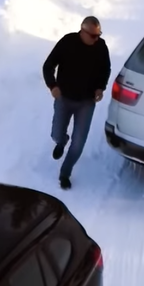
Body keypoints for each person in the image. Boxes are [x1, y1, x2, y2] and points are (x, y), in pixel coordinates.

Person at [42, 16, 110, 190]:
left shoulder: (101, 47)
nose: (96, 39)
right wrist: (53, 86)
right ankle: (61, 141)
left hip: (86, 102)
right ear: (82, 31)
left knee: (79, 142)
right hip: (64, 98)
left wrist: (100, 88)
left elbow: (105, 69)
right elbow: (48, 66)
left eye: (98, 35)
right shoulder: (68, 42)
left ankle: (65, 173)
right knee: (56, 133)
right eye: (93, 36)